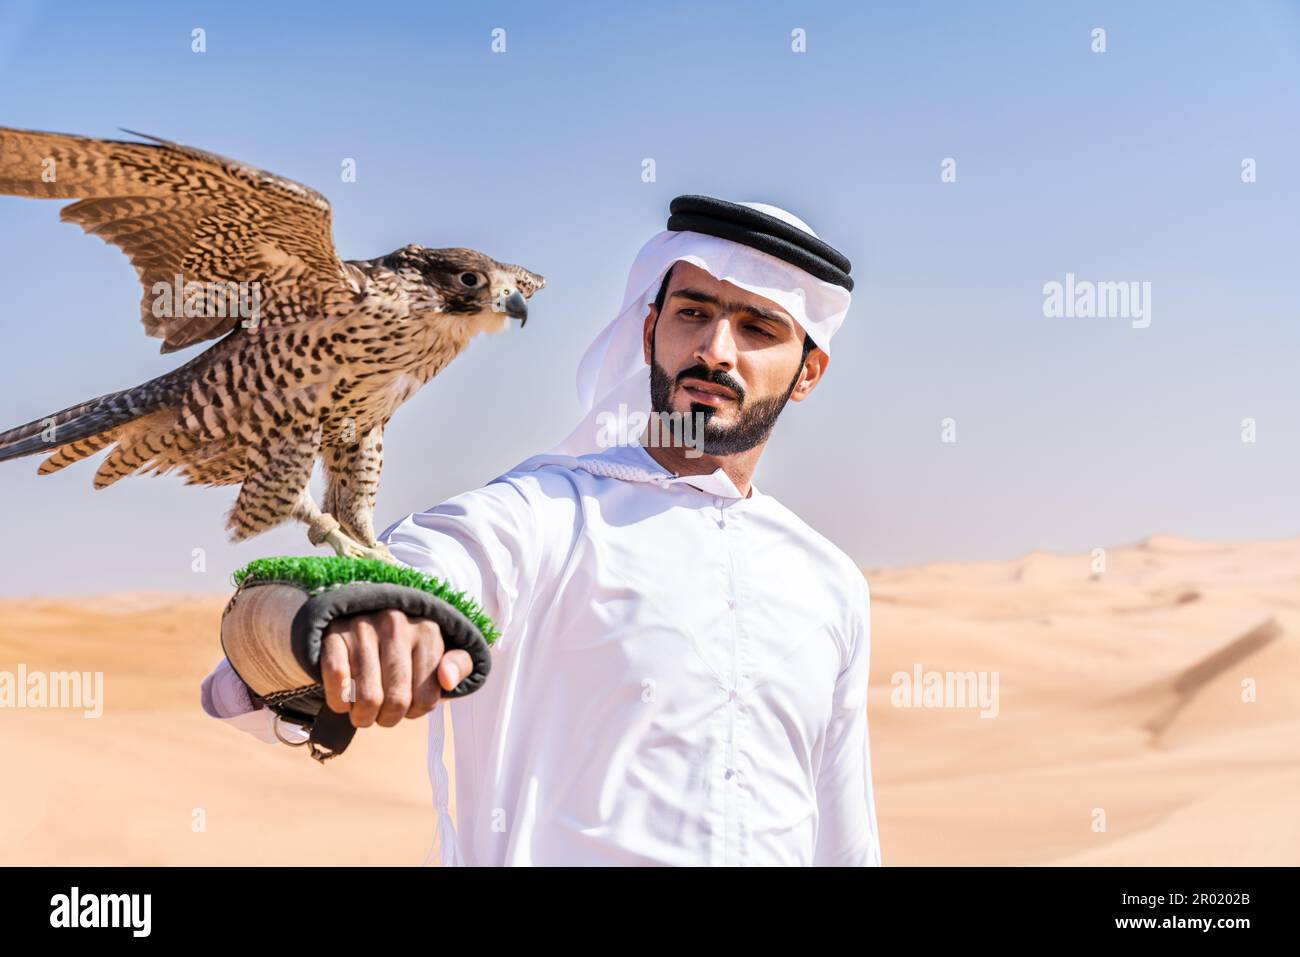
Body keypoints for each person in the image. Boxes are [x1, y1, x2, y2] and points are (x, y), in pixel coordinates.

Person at [201, 195, 881, 867]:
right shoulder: (545, 515)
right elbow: (390, 582)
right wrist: (346, 619)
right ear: (649, 333)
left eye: (758, 329)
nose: (714, 349)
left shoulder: (831, 583)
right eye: (693, 314)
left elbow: (845, 841)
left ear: (808, 374)